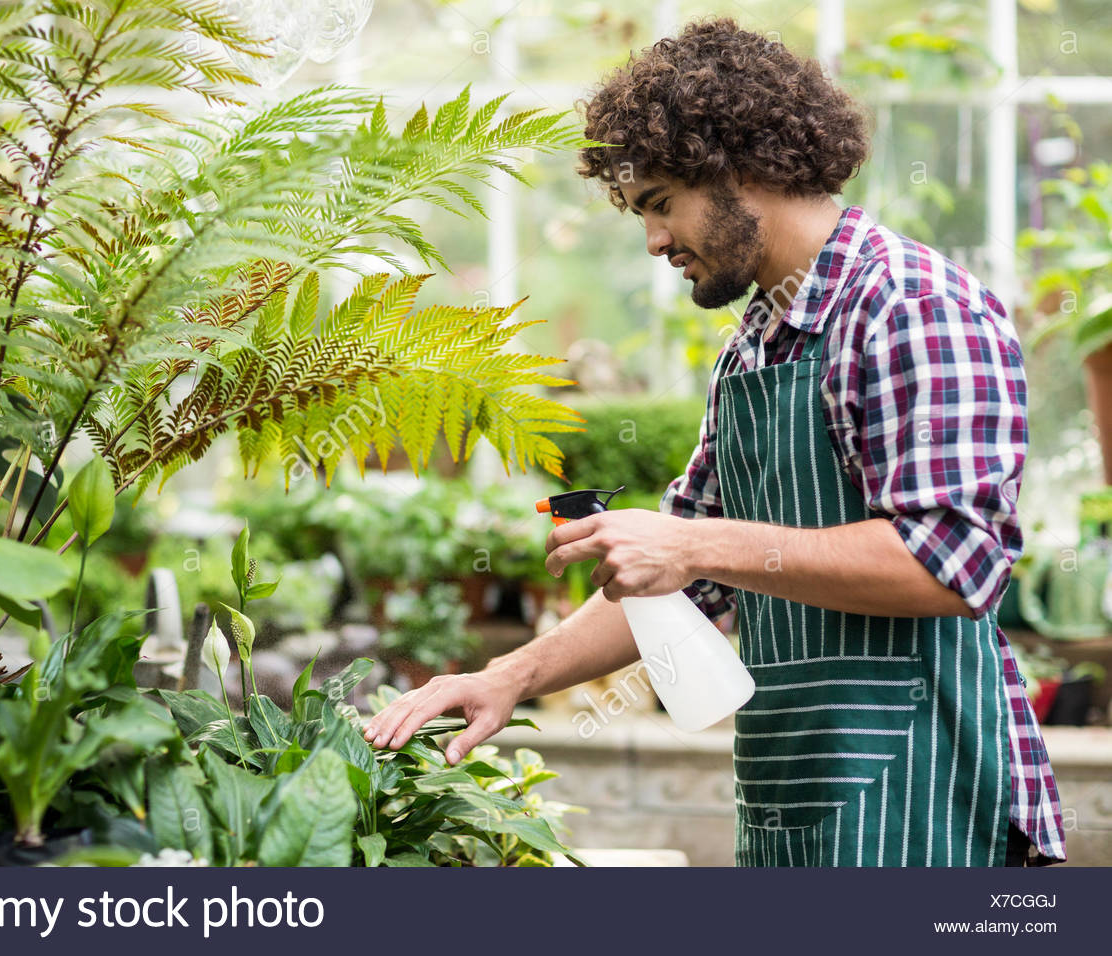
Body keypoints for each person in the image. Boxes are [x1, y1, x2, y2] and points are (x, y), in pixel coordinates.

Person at [362, 18, 1066, 867]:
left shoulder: (911, 308)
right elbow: (683, 584)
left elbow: (954, 563)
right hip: (799, 810)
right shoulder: (753, 349)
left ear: (745, 168)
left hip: (932, 815)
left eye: (660, 205)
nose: (654, 241)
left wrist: (690, 543)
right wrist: (510, 676)